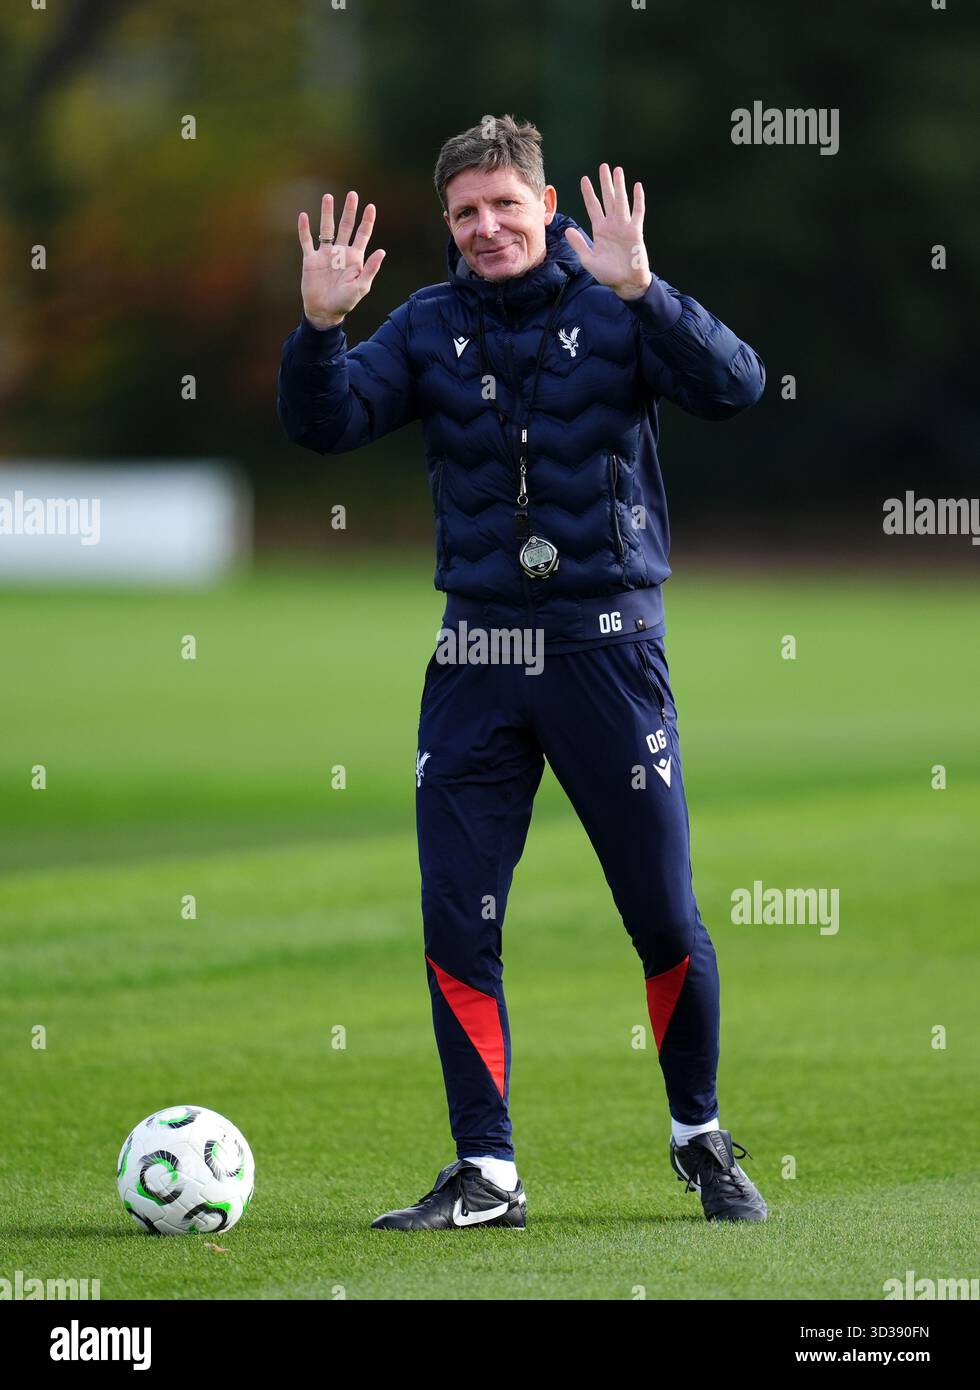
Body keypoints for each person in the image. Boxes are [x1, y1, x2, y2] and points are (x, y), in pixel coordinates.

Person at [276, 115, 768, 1228]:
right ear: (446, 226)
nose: (486, 227)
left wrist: (646, 290)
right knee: (457, 916)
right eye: (464, 212)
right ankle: (486, 1173)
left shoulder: (616, 301)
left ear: (545, 207)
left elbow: (736, 386)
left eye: (505, 205)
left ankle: (699, 1138)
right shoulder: (424, 323)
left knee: (660, 912)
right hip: (476, 656)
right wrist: (316, 328)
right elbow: (323, 424)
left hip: (606, 651)